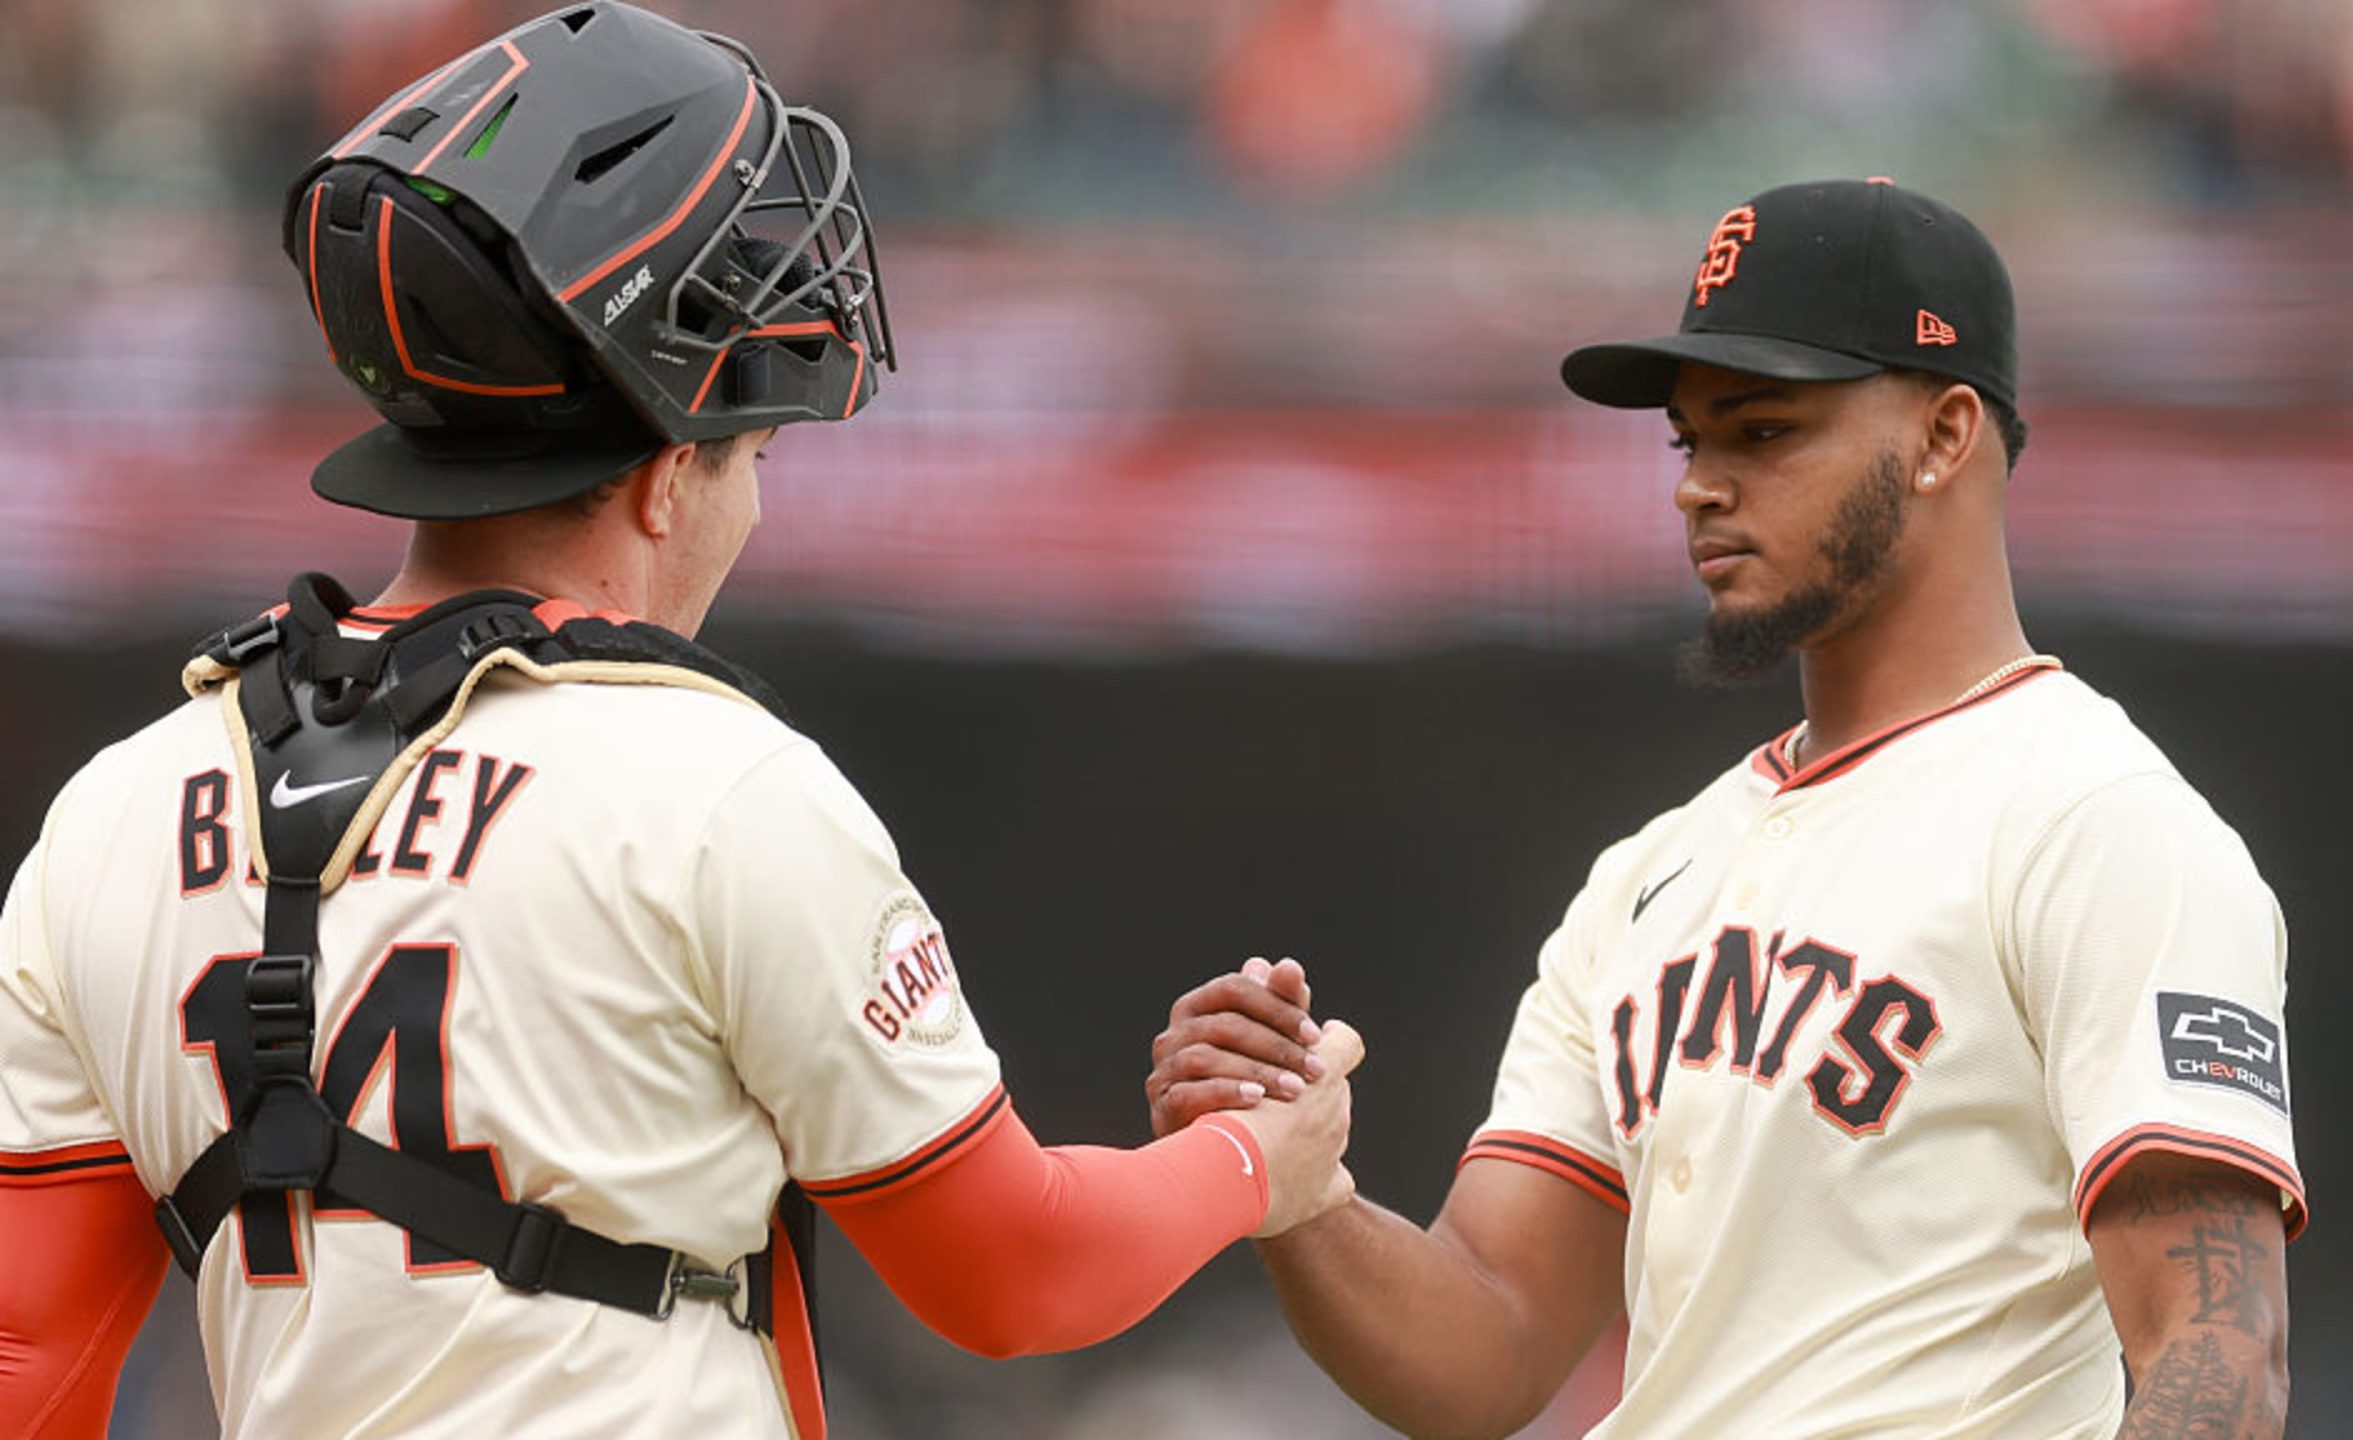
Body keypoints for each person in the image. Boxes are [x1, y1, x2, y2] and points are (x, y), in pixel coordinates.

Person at [0, 6, 1359, 1438]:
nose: (748, 509)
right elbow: (1009, 1273)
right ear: (663, 480)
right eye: (749, 456)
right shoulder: (717, 786)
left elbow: (29, 1365)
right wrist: (1258, 1159)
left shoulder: (117, 805)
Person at [1147, 178, 2304, 1439]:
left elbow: (2216, 1353)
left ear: (1942, 435)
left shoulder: (2096, 820)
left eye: (1762, 431)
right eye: (1689, 442)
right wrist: (1302, 1196)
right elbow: (1486, 1344)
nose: (1699, 487)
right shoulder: (1650, 875)